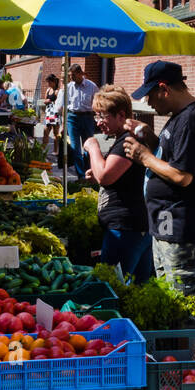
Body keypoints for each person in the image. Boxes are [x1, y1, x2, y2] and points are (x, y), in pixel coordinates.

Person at [124, 60, 195, 329]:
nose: (149, 103)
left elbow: (182, 175)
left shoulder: (192, 119)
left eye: (150, 96)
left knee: (192, 306)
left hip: (183, 228)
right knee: (176, 300)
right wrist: (150, 139)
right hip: (168, 225)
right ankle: (190, 363)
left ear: (164, 89)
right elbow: (173, 158)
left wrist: (144, 157)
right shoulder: (179, 118)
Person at [83, 86, 155, 283]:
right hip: (134, 226)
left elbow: (105, 176)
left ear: (121, 114)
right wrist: (96, 175)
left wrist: (93, 147)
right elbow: (114, 177)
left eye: (102, 116)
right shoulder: (124, 139)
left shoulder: (128, 141)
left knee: (113, 286)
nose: (98, 123)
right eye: (95, 116)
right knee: (138, 288)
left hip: (126, 228)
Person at [64, 64, 100, 173]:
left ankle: (88, 172)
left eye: (73, 75)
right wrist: (63, 124)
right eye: (69, 76)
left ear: (80, 74)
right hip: (72, 118)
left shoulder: (92, 86)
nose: (71, 78)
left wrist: (99, 116)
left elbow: (98, 103)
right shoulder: (69, 87)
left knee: (88, 146)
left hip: (87, 117)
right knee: (75, 148)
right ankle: (80, 175)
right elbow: (64, 106)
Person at [40, 74, 61, 154]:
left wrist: (51, 101)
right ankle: (42, 150)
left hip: (55, 114)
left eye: (49, 82)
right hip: (48, 114)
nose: (48, 84)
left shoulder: (57, 91)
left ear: (54, 82)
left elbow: (59, 102)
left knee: (56, 134)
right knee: (45, 132)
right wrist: (46, 101)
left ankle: (56, 151)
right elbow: (45, 100)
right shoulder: (48, 90)